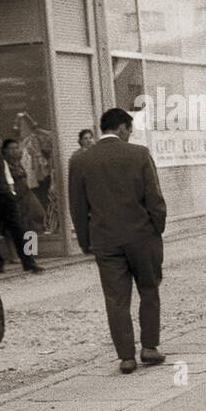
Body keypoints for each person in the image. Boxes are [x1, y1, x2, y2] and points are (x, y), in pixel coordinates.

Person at [67, 108, 167, 374]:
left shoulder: (80, 160)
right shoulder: (139, 154)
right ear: (122, 128)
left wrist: (85, 241)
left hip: (105, 240)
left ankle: (126, 357)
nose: (130, 135)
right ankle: (149, 347)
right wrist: (157, 228)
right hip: (142, 236)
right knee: (149, 290)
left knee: (115, 299)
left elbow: (77, 206)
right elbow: (154, 198)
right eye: (129, 130)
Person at [0, 132, 43, 273]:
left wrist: (11, 192)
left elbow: (8, 178)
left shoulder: (0, 160)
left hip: (8, 198)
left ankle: (28, 261)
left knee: (19, 229)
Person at [2, 138, 45, 241]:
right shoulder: (3, 164)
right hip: (14, 195)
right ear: (5, 150)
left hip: (25, 193)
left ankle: (30, 245)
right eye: (11, 148)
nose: (15, 151)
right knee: (19, 221)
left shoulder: (18, 162)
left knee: (37, 213)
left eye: (16, 148)